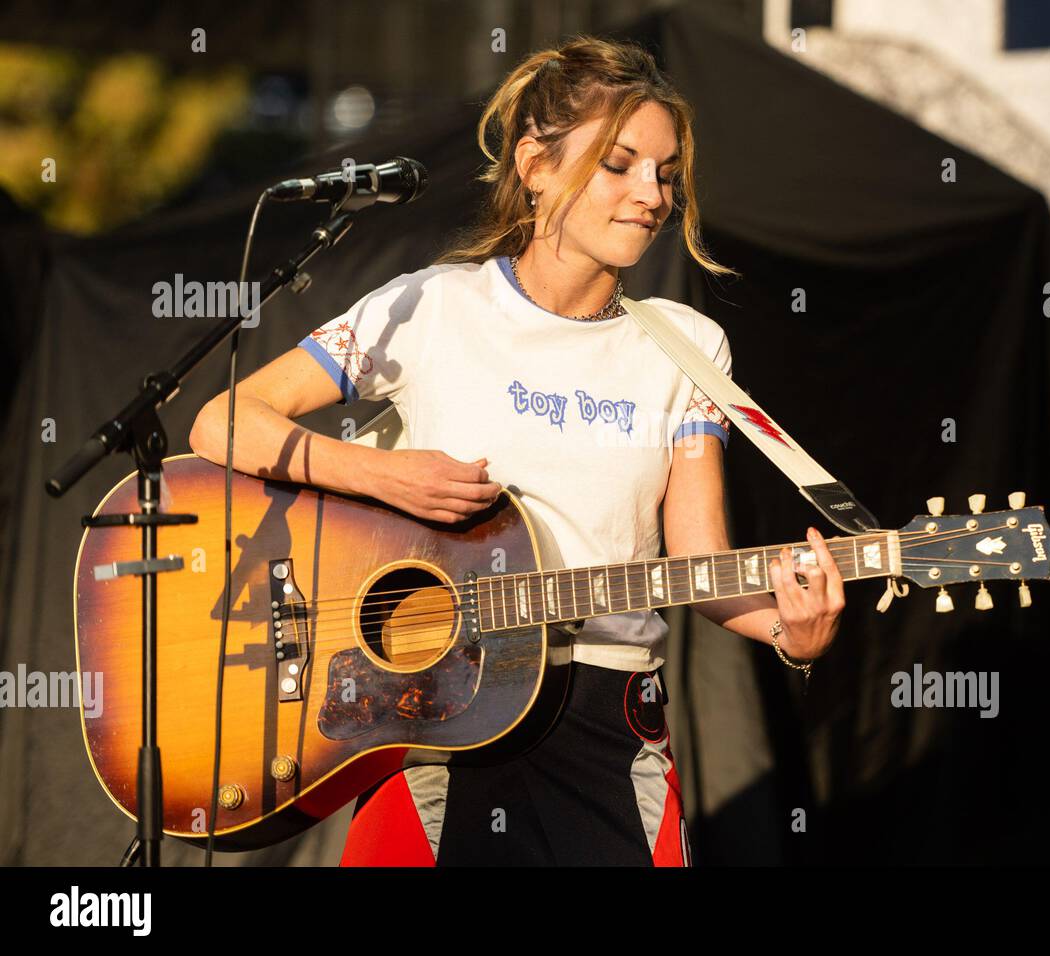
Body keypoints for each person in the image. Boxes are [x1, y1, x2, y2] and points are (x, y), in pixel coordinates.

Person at [188, 35, 846, 866]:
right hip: (436, 715)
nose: (652, 193)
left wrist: (795, 632)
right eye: (620, 164)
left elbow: (702, 558)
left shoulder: (688, 347)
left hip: (609, 724)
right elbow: (224, 421)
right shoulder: (429, 308)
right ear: (535, 165)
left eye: (666, 172)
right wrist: (387, 475)